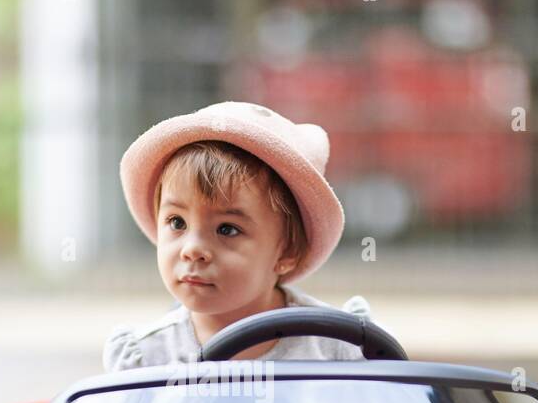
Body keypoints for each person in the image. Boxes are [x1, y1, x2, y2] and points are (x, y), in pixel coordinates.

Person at [104, 101, 372, 372]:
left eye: (227, 229)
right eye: (177, 222)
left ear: (287, 252)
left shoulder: (335, 347)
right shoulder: (147, 358)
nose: (193, 249)